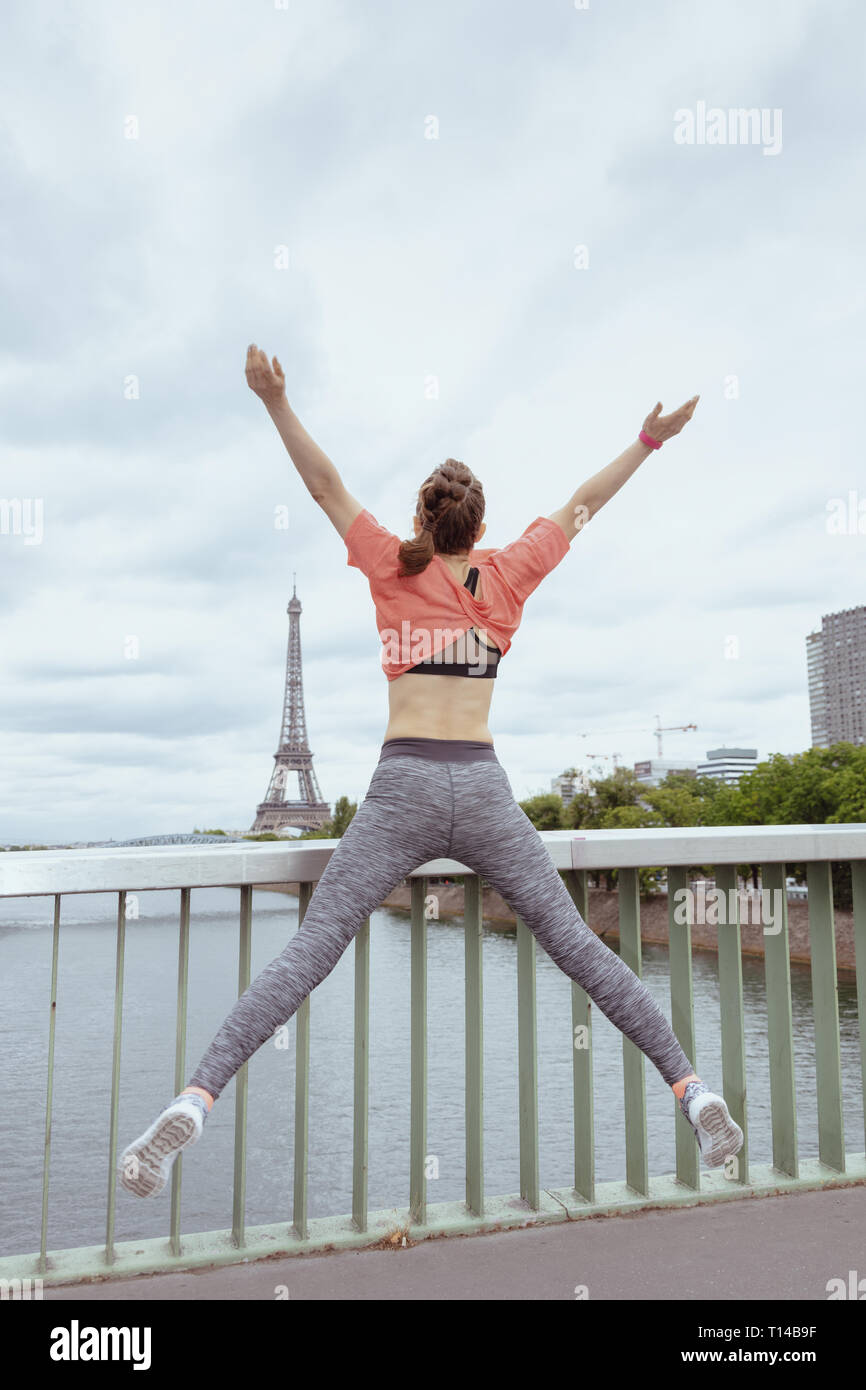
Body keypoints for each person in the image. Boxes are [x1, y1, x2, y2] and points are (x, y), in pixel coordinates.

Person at [118, 346, 742, 1199]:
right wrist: (650, 436)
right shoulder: (509, 571)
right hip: (483, 787)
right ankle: (691, 1088)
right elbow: (585, 504)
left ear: (424, 515)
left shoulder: (390, 563)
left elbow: (325, 486)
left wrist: (275, 401)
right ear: (479, 528)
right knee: (579, 951)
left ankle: (196, 1096)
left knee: (310, 951)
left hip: (402, 785)